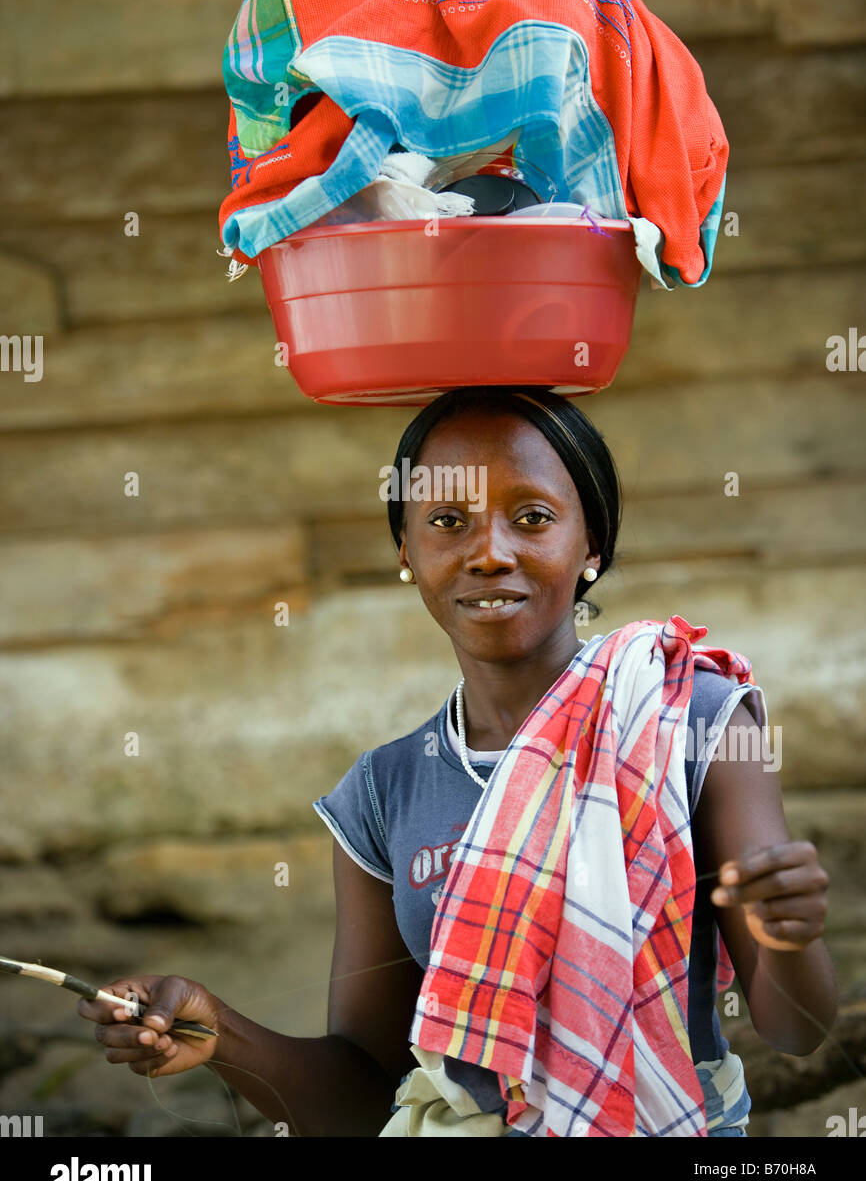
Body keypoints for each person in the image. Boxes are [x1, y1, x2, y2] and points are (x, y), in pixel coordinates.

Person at [78, 386, 837, 1137]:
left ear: (591, 545)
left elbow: (797, 1029)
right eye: (448, 521)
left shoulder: (686, 718)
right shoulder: (384, 792)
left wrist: (787, 939)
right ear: (407, 552)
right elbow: (367, 1097)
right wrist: (224, 1036)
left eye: (533, 518)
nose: (490, 553)